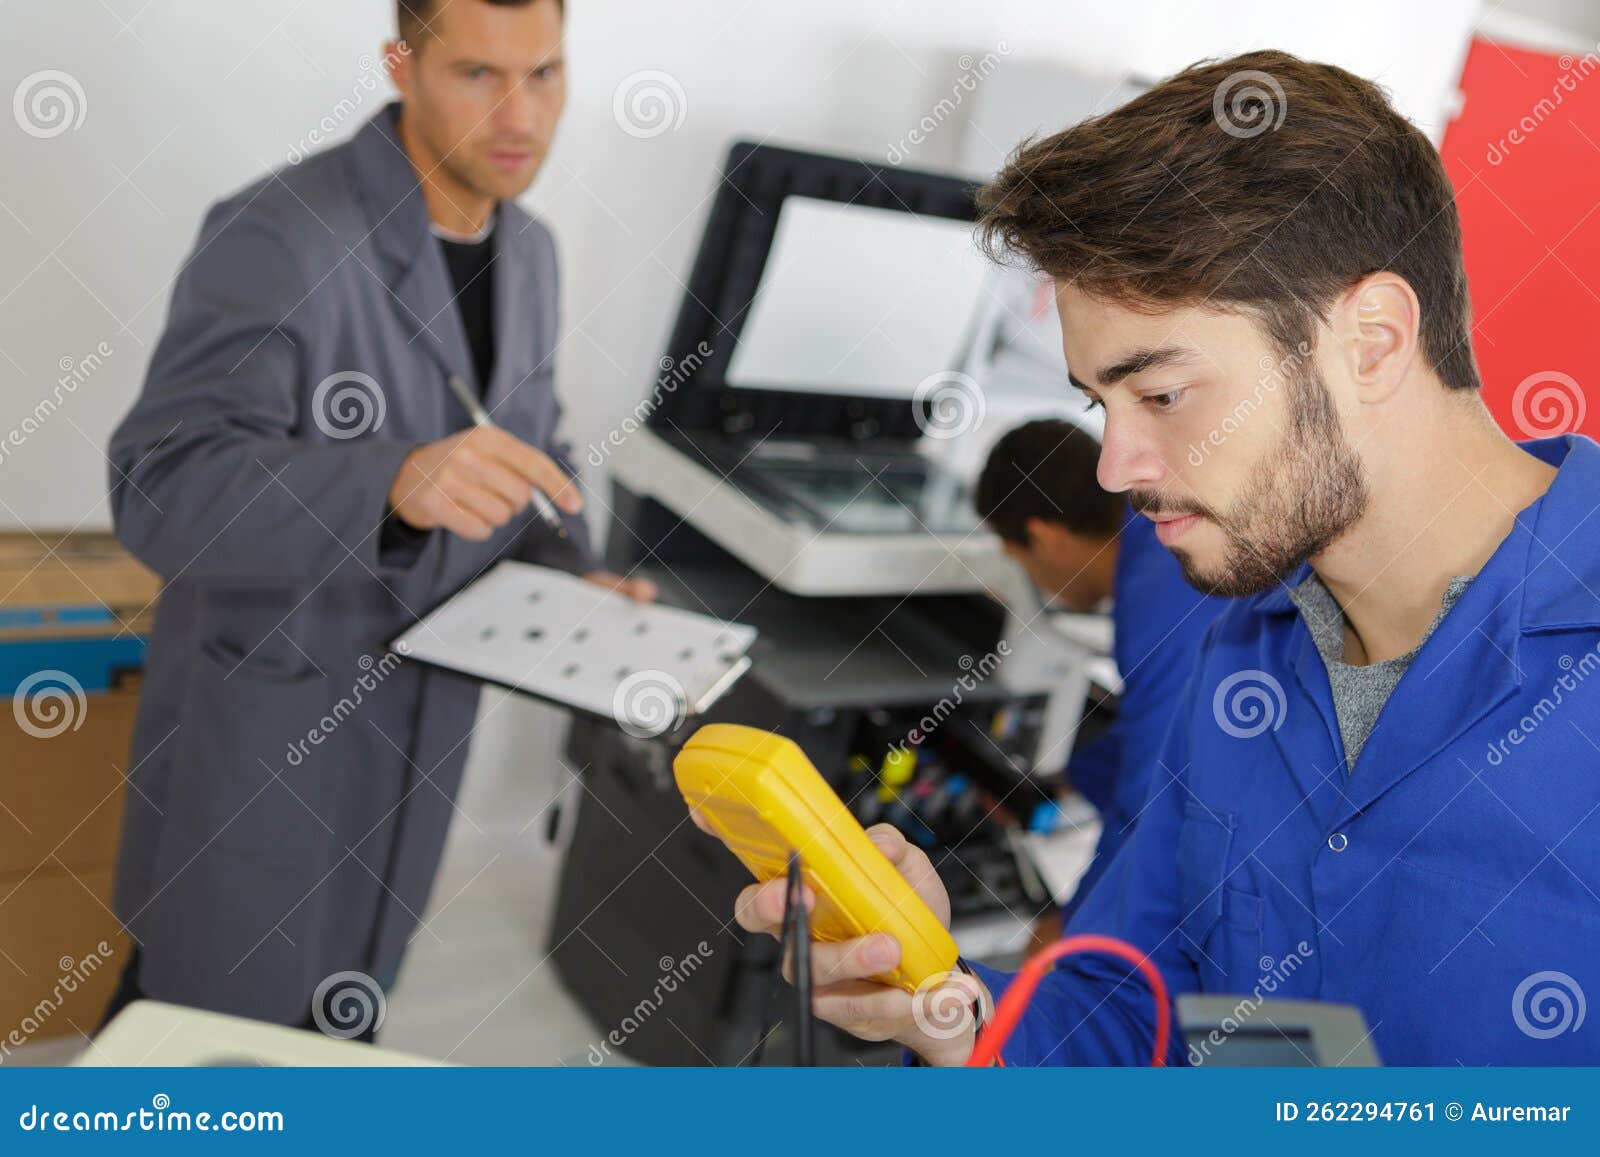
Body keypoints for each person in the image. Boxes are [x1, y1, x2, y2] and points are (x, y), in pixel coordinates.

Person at [719, 49, 1600, 1066]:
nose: (1114, 468)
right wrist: (942, 995)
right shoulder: (1241, 658)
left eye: (1165, 394)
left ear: (1369, 340)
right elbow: (1144, 1021)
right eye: (1100, 404)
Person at [102, 0, 653, 1032]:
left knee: (341, 1016)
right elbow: (158, 482)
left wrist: (568, 571)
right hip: (269, 738)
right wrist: (389, 481)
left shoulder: (529, 251)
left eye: (545, 74)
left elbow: (525, 443)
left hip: (415, 742)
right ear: (401, 64)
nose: (520, 114)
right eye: (478, 75)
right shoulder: (279, 233)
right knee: (203, 1032)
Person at [974, 419, 1224, 928]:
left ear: (1042, 537)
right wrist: (1068, 779)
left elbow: (1154, 799)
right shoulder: (1156, 542)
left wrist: (1067, 929)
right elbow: (1165, 730)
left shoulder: (1159, 593)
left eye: (1016, 556)